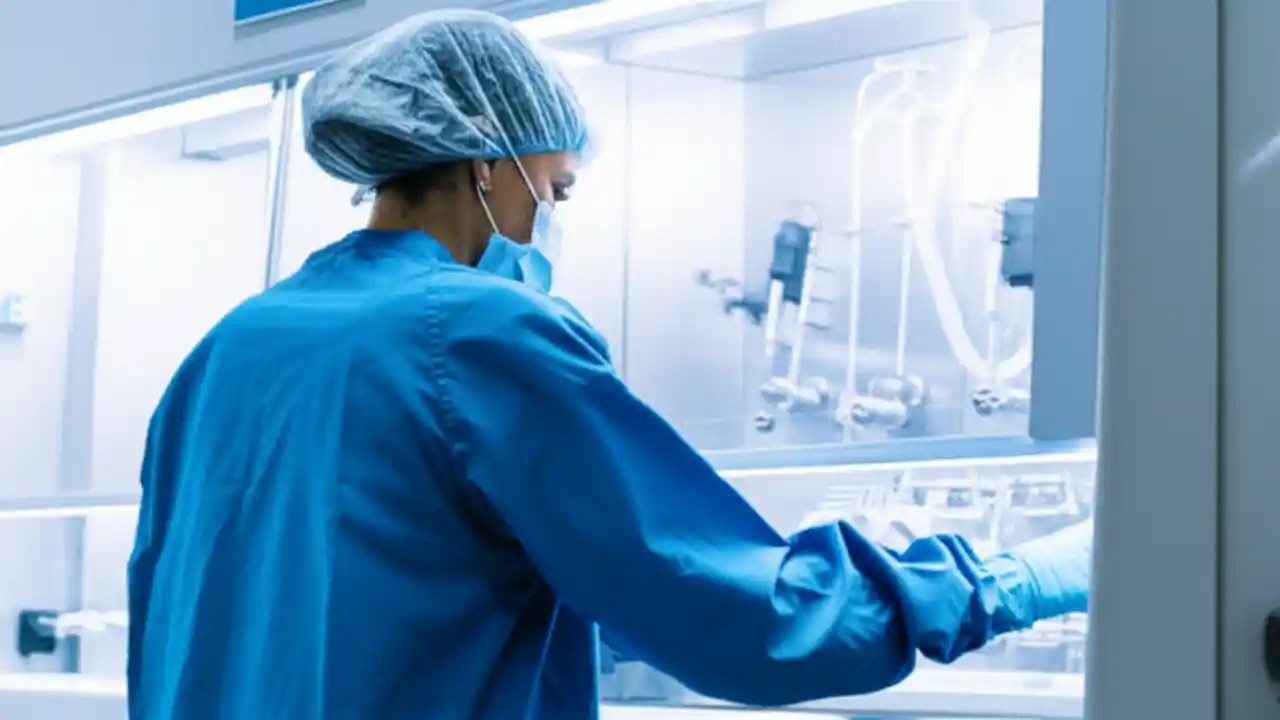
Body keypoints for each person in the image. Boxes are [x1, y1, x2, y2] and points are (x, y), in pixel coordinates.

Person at [126, 9, 1093, 720]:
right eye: (558, 187)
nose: (552, 216)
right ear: (486, 163)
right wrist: (1010, 581)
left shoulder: (229, 348)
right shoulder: (472, 335)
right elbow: (733, 616)